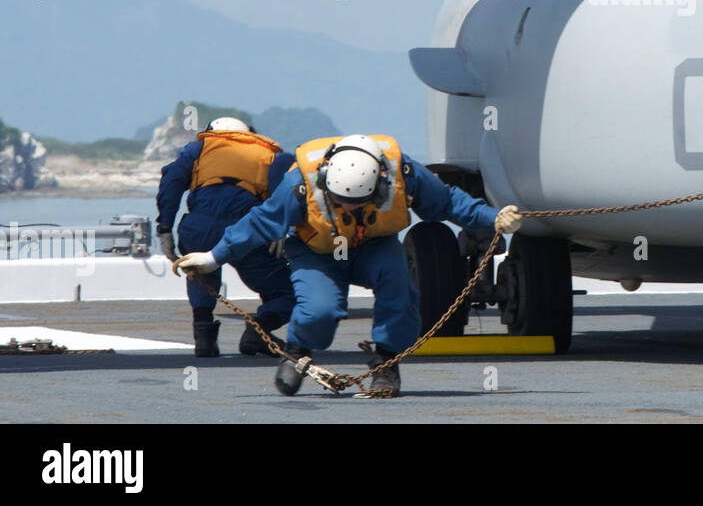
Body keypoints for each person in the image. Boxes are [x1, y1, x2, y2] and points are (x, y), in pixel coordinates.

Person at [173, 134, 523, 398]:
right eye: (341, 201)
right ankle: (297, 353)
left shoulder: (403, 173)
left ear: (379, 184)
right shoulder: (300, 185)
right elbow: (259, 223)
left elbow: (447, 202)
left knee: (398, 289)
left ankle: (386, 364)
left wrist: (494, 218)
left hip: (373, 246)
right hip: (318, 251)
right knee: (319, 312)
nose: (349, 208)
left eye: (358, 202)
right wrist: (212, 257)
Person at [156, 116, 296, 357]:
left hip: (200, 226)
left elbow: (171, 182)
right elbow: (286, 192)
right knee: (288, 291)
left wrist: (164, 227)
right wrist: (280, 229)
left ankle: (204, 339)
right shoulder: (272, 155)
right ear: (249, 133)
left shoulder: (198, 149)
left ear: (211, 132)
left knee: (201, 274)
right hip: (248, 228)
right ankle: (258, 331)